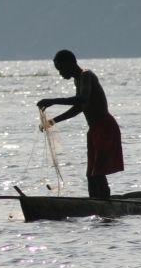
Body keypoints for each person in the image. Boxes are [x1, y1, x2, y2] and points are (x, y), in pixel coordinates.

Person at [36, 50, 123, 198]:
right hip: (94, 130)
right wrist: (52, 121)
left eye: (61, 69)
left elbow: (82, 99)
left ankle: (105, 205)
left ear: (70, 63)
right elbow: (78, 108)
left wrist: (52, 100)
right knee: (91, 173)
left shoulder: (86, 75)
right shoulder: (78, 80)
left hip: (105, 127)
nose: (60, 73)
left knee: (98, 172)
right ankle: (94, 203)